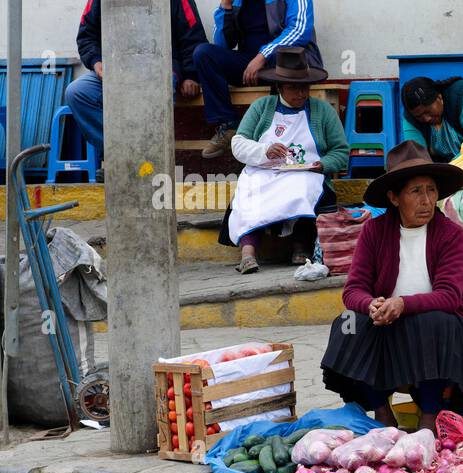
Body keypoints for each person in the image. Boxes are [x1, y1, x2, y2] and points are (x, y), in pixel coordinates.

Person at [321, 141, 463, 430]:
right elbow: (353, 290)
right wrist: (371, 305)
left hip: (436, 322)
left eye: (431, 190)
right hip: (386, 321)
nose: (426, 200)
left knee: (434, 323)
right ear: (395, 198)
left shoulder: (451, 234)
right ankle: (381, 409)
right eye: (416, 191)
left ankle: (430, 413)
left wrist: (403, 304)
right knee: (348, 323)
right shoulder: (375, 231)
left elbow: (449, 296)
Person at [217, 48, 348, 273]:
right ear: (279, 87)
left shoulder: (323, 111)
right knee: (250, 188)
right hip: (263, 171)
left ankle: (300, 247)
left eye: (304, 87)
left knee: (304, 187)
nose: (300, 93)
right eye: (293, 88)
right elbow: (238, 144)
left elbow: (341, 151)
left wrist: (323, 165)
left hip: (306, 173)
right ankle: (248, 253)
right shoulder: (261, 108)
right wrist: (264, 151)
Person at [66, 0, 207, 154]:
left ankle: (147, 158)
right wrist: (96, 61)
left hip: (162, 69)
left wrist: (190, 75)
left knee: (158, 88)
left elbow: (193, 35)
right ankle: (122, 154)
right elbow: (86, 36)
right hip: (117, 69)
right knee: (77, 92)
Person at [196, 0, 326, 159]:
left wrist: (263, 55)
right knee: (204, 54)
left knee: (282, 61)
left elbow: (300, 29)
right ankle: (229, 126)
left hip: (289, 62)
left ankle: (278, 136)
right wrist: (226, 7)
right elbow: (222, 44)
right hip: (251, 66)